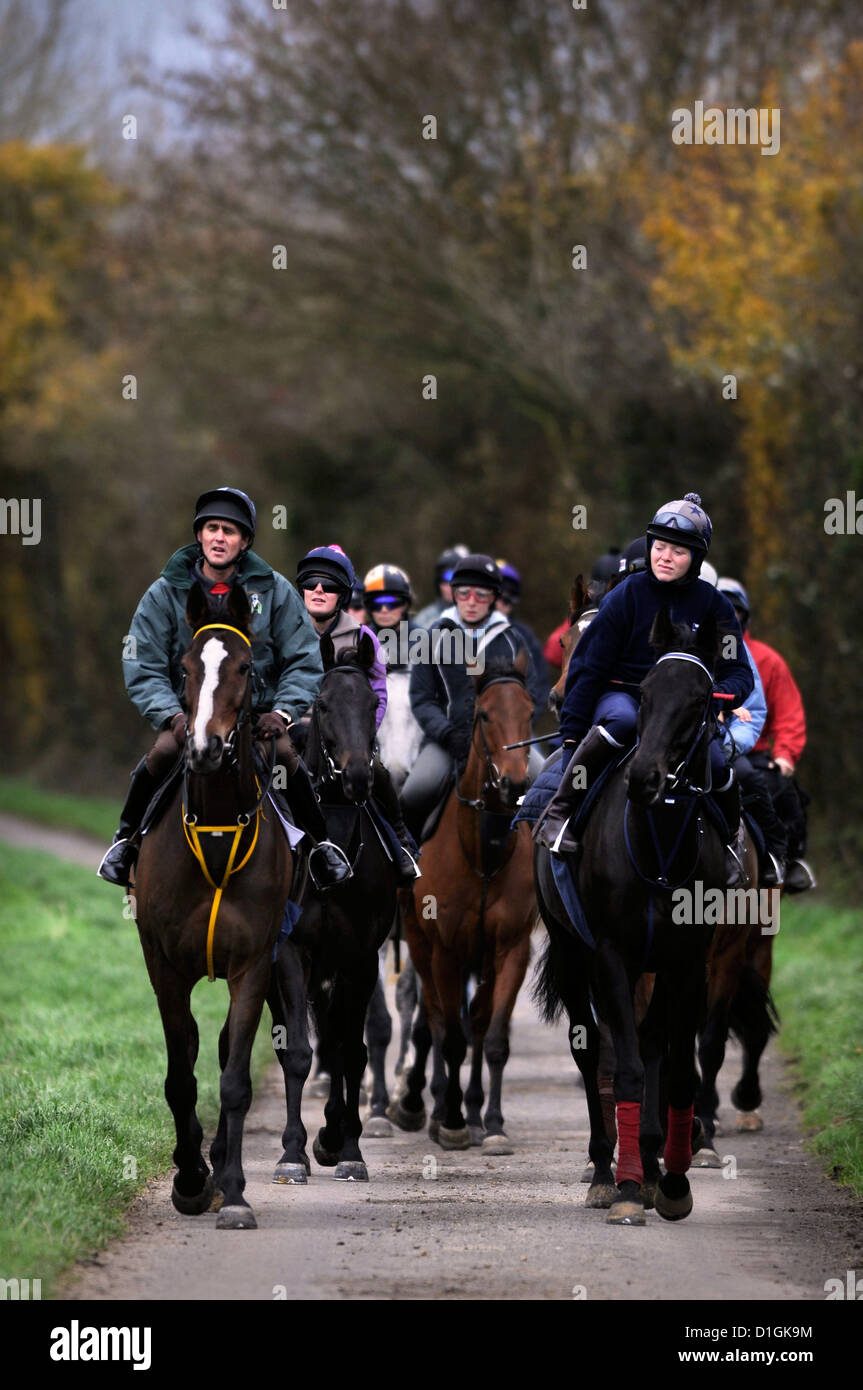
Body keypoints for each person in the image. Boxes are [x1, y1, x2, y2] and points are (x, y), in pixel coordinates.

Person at [98, 487, 350, 889]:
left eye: (229, 531)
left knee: (286, 756)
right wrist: (171, 715)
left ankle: (321, 847)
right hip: (189, 719)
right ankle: (125, 841)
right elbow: (142, 663)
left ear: (245, 541)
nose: (219, 537)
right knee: (162, 752)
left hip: (256, 721)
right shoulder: (165, 593)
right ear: (199, 536)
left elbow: (304, 658)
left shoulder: (276, 592)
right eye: (211, 528)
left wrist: (282, 711)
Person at [535, 494, 754, 885]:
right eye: (660, 546)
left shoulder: (715, 607)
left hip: (685, 707)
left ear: (696, 559)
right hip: (625, 696)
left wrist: (715, 697)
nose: (665, 556)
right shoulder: (625, 596)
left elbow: (739, 673)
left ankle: (729, 847)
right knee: (622, 720)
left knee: (720, 765)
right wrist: (570, 737)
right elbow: (586, 670)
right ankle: (560, 813)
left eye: (679, 550)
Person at [296, 545, 420, 883]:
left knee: (377, 773)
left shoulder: (364, 638)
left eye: (330, 584)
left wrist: (361, 736)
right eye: (311, 582)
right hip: (293, 730)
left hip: (347, 735)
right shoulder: (285, 632)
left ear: (343, 593)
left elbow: (377, 694)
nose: (319, 590)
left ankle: (401, 844)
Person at [402, 553, 536, 832]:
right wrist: (446, 733)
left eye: (481, 594)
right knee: (415, 791)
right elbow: (421, 698)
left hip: (507, 742)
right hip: (448, 740)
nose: (472, 601)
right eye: (464, 593)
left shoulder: (512, 639)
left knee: (545, 778)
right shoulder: (433, 636)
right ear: (454, 594)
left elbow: (529, 695)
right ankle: (409, 859)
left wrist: (514, 735)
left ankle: (545, 862)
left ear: (493, 598)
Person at [718, 578, 815, 893]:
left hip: (753, 750)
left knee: (785, 794)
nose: (730, 617)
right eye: (724, 609)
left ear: (745, 616)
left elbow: (788, 714)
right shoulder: (694, 647)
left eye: (736, 611)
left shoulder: (768, 659)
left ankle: (789, 859)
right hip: (704, 744)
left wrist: (785, 755)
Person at [495, 559, 551, 716]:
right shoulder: (467, 632)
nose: (502, 604)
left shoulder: (525, 636)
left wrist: (528, 718)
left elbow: (540, 683)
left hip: (517, 724)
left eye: (509, 598)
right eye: (498, 596)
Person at [414, 544, 470, 628]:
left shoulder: (479, 617)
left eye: (458, 581)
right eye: (446, 580)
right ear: (438, 584)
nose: (451, 587)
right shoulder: (424, 620)